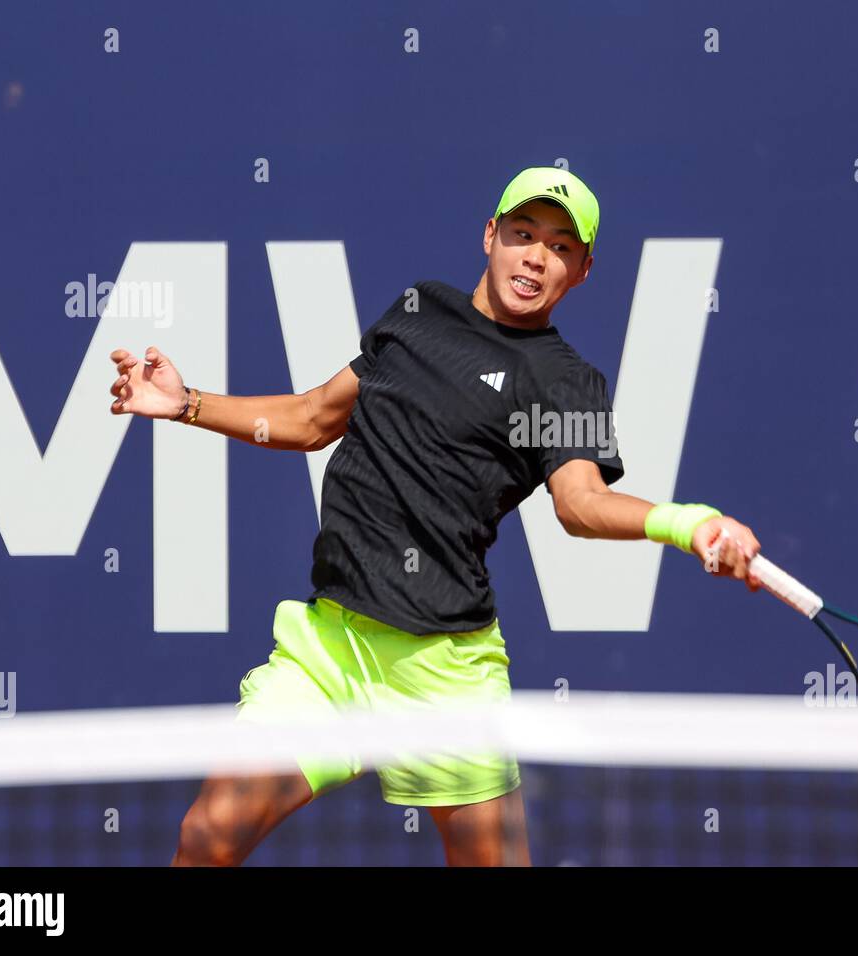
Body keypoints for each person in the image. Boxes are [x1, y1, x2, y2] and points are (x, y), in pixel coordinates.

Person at [107, 166, 761, 866]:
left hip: (444, 672)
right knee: (207, 836)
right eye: (523, 234)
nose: (537, 256)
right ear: (491, 236)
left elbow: (582, 503)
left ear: (583, 270)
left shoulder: (565, 381)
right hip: (329, 654)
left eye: (561, 247)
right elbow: (312, 417)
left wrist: (687, 522)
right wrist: (186, 404)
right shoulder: (418, 311)